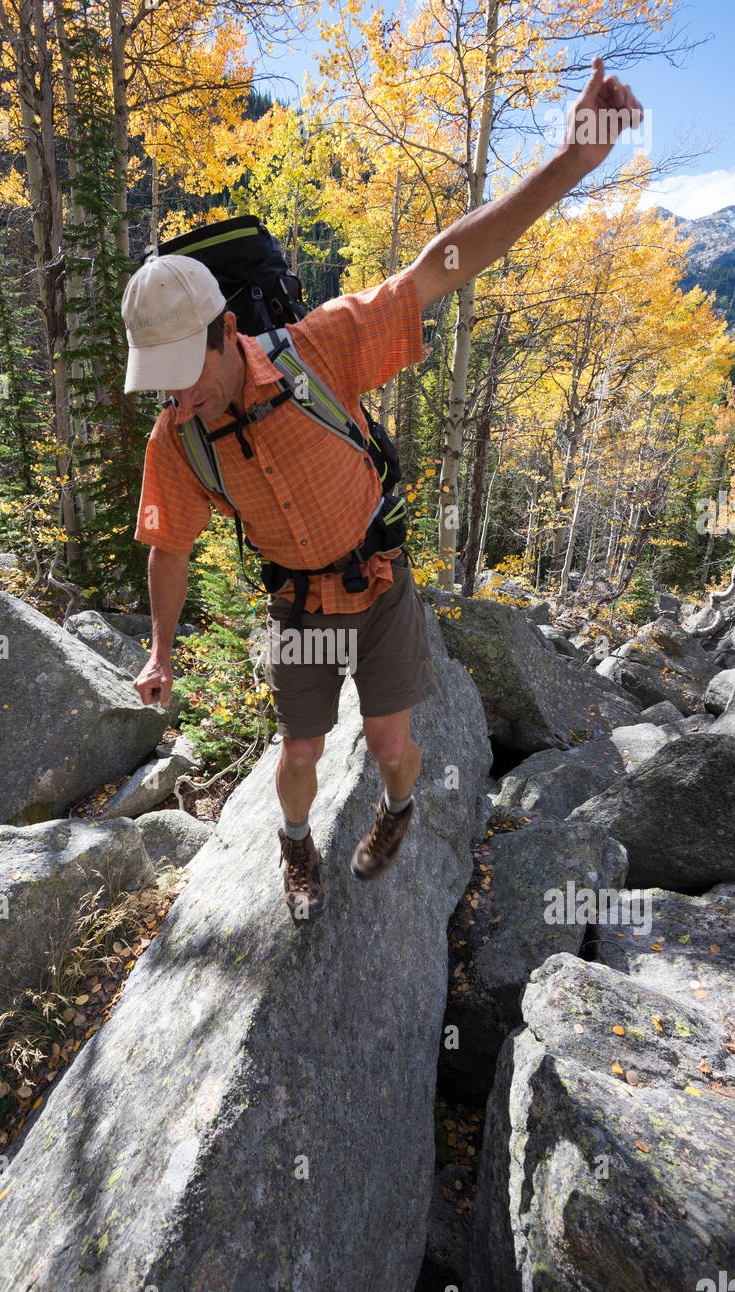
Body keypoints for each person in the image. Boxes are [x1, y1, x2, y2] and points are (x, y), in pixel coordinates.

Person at [124, 57, 641, 921]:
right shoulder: (177, 436)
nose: (179, 395)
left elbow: (445, 263)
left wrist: (571, 162)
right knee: (298, 755)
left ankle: (398, 811)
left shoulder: (321, 348)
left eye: (186, 372)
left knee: (393, 743)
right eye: (161, 380)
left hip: (380, 584)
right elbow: (169, 546)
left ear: (225, 330)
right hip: (298, 606)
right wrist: (160, 652)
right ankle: (295, 847)